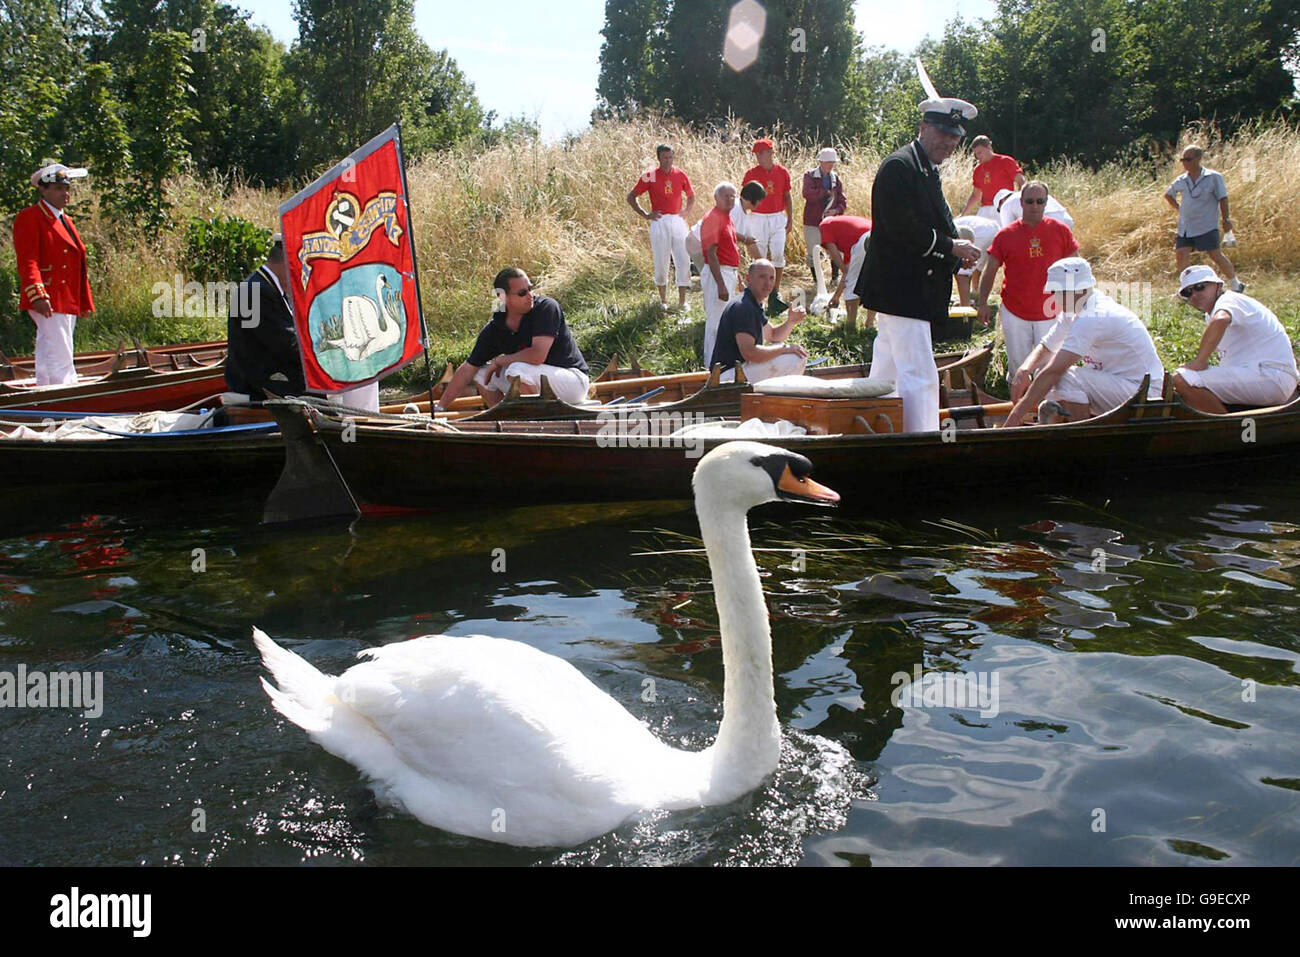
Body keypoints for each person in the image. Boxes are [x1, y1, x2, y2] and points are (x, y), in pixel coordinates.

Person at [856, 96, 981, 432]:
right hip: (902, 287)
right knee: (920, 374)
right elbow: (901, 228)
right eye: (942, 133)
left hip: (905, 286)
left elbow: (939, 219)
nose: (949, 142)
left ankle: (873, 429)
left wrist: (957, 253)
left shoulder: (922, 168)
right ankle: (920, 442)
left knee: (887, 369)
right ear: (923, 128)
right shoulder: (901, 167)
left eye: (955, 136)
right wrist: (951, 247)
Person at [1003, 257, 1164, 427]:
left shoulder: (1093, 316)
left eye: (1056, 292)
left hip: (1144, 393)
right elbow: (1047, 346)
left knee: (1065, 377)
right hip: (1122, 386)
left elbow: (1054, 372)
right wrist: (1024, 370)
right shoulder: (1075, 308)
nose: (1054, 298)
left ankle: (1080, 434)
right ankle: (1057, 426)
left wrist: (1015, 416)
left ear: (1073, 290)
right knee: (1044, 373)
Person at [436, 268, 589, 410]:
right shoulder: (495, 328)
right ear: (502, 297)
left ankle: (537, 418)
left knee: (516, 369)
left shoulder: (546, 308)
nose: (530, 295)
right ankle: (504, 417)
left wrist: (500, 360)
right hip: (534, 378)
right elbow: (468, 369)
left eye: (530, 288)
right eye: (522, 292)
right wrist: (440, 408)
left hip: (574, 382)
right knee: (480, 374)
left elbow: (537, 356)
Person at [976, 181, 1080, 373]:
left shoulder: (1061, 230)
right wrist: (982, 303)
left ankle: (1048, 403)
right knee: (1018, 369)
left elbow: (1076, 268)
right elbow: (990, 270)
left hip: (1051, 312)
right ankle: (1018, 402)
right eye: (1030, 201)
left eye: (1040, 201)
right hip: (1015, 312)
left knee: (1049, 371)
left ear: (1046, 203)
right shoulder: (1005, 235)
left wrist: (1076, 304)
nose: (1034, 206)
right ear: (1021, 203)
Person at [1170, 265, 1298, 412]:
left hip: (1271, 377)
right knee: (1190, 383)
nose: (1194, 295)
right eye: (1188, 292)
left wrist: (1199, 362)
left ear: (1218, 286)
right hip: (1266, 377)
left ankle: (1224, 430)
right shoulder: (1212, 312)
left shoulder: (1228, 301)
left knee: (1182, 379)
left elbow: (1220, 320)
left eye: (1200, 287)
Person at [13, 163, 95, 386]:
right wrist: (37, 294)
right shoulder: (30, 217)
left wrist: (83, 300)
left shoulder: (65, 220)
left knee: (50, 347)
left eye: (66, 188)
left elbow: (78, 263)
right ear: (43, 190)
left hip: (65, 296)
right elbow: (28, 260)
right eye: (58, 188)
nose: (65, 193)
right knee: (61, 353)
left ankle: (46, 391)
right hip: (48, 294)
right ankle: (66, 396)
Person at [226, 236, 306, 398]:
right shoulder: (256, 292)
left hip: (276, 383)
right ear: (289, 262)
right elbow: (288, 345)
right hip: (262, 389)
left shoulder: (265, 287)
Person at [709, 260, 808, 383]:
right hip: (728, 377)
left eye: (772, 278)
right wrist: (784, 349)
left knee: (791, 352)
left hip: (737, 372)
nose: (768, 283)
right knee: (795, 359)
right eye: (762, 277)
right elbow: (750, 353)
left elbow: (773, 335)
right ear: (748, 279)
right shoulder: (744, 307)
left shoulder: (752, 303)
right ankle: (776, 398)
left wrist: (790, 321)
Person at [1164, 144, 1244, 292]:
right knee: (1181, 254)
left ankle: (1235, 283)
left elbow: (1223, 198)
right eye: (1182, 160)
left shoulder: (1214, 177)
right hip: (1186, 226)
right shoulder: (1181, 180)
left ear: (1198, 159)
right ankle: (1186, 288)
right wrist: (1179, 208)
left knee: (1215, 254)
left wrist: (1226, 219)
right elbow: (1168, 194)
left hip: (1206, 224)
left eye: (1188, 159)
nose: (1184, 163)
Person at [626, 144, 695, 311]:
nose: (668, 160)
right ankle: (663, 300)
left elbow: (691, 195)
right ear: (658, 158)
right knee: (661, 259)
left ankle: (682, 301)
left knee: (683, 258)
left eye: (670, 157)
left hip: (677, 220)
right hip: (660, 220)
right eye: (665, 157)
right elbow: (631, 196)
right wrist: (645, 214)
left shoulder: (680, 174)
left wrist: (686, 211)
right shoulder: (650, 176)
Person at [741, 138, 794, 316]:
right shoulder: (751, 173)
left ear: (771, 152)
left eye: (762, 153)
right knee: (760, 258)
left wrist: (790, 217)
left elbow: (787, 196)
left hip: (778, 217)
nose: (759, 157)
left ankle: (774, 293)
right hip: (758, 217)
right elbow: (745, 199)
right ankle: (759, 297)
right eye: (756, 154)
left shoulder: (782, 172)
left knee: (778, 254)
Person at [699, 182, 742, 367]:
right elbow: (711, 253)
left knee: (725, 321)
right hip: (718, 273)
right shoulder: (713, 217)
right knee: (716, 323)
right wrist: (721, 284)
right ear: (716, 198)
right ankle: (711, 365)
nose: (730, 199)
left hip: (728, 271)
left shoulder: (726, 217)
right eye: (726, 196)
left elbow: (730, 247)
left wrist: (736, 277)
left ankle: (723, 364)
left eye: (733, 196)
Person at [686, 181, 764, 275]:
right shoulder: (733, 207)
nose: (761, 204)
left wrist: (763, 264)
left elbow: (750, 243)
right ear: (752, 198)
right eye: (760, 200)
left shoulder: (744, 214)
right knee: (711, 276)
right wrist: (744, 239)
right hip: (697, 241)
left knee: (716, 276)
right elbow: (724, 230)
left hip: (707, 244)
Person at [801, 147, 847, 292]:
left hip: (830, 222)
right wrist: (825, 193)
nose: (830, 165)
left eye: (832, 162)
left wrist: (836, 211)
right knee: (812, 251)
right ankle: (817, 282)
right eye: (828, 162)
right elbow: (807, 194)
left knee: (837, 251)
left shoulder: (836, 178)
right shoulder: (809, 175)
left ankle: (834, 278)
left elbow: (842, 201)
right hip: (812, 221)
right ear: (820, 162)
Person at [817, 214, 872, 327]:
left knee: (852, 284)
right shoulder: (850, 243)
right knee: (874, 281)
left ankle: (850, 325)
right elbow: (847, 273)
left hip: (865, 239)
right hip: (876, 234)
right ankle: (869, 324)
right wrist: (837, 296)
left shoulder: (825, 224)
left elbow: (832, 249)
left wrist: (842, 268)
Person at [961, 136, 1026, 221]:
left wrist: (1020, 203)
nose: (978, 156)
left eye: (980, 152)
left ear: (989, 147)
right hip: (985, 209)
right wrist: (963, 215)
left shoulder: (1005, 161)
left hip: (1003, 207)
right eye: (976, 154)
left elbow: (1020, 181)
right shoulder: (978, 169)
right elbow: (975, 195)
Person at [952, 214, 999, 307]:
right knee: (976, 265)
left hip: (980, 231)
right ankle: (975, 293)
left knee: (963, 271)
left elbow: (962, 272)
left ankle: (965, 306)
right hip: (994, 229)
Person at [992, 186, 1074, 230]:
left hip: (1047, 223)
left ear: (1001, 201)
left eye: (999, 210)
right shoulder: (1029, 192)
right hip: (1067, 220)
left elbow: (1007, 232)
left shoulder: (1006, 205)